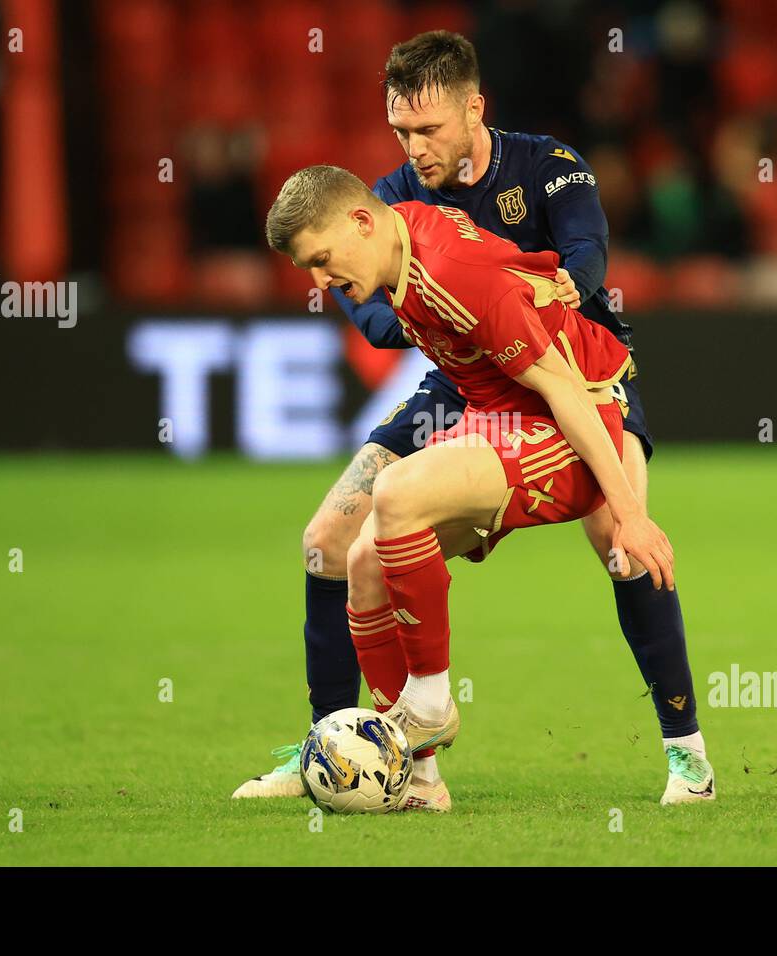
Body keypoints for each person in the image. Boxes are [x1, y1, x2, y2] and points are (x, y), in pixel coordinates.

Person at [234, 32, 711, 809]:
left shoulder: (544, 167)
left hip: (571, 374)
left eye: (428, 131)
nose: (414, 149)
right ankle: (346, 748)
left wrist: (530, 294)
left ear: (473, 110)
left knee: (623, 543)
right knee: (332, 543)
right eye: (400, 133)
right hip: (464, 385)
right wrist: (431, 311)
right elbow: (378, 315)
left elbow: (587, 255)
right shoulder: (385, 207)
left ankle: (687, 753)